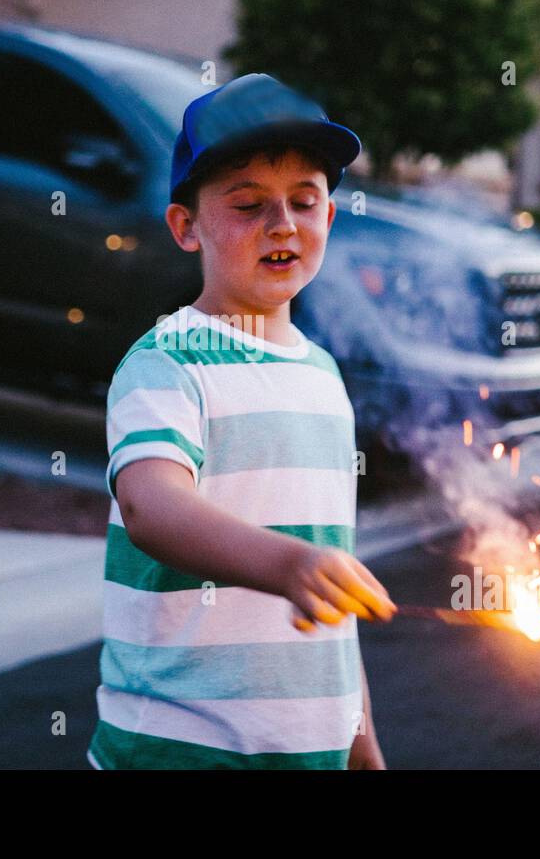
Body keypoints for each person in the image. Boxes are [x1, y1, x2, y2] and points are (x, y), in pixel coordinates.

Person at [87, 73, 398, 770]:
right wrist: (288, 564)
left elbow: (329, 595)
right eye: (249, 203)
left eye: (304, 201)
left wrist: (364, 750)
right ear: (185, 226)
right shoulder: (167, 363)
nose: (282, 223)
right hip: (179, 752)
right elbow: (151, 506)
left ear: (329, 218)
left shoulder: (322, 376)